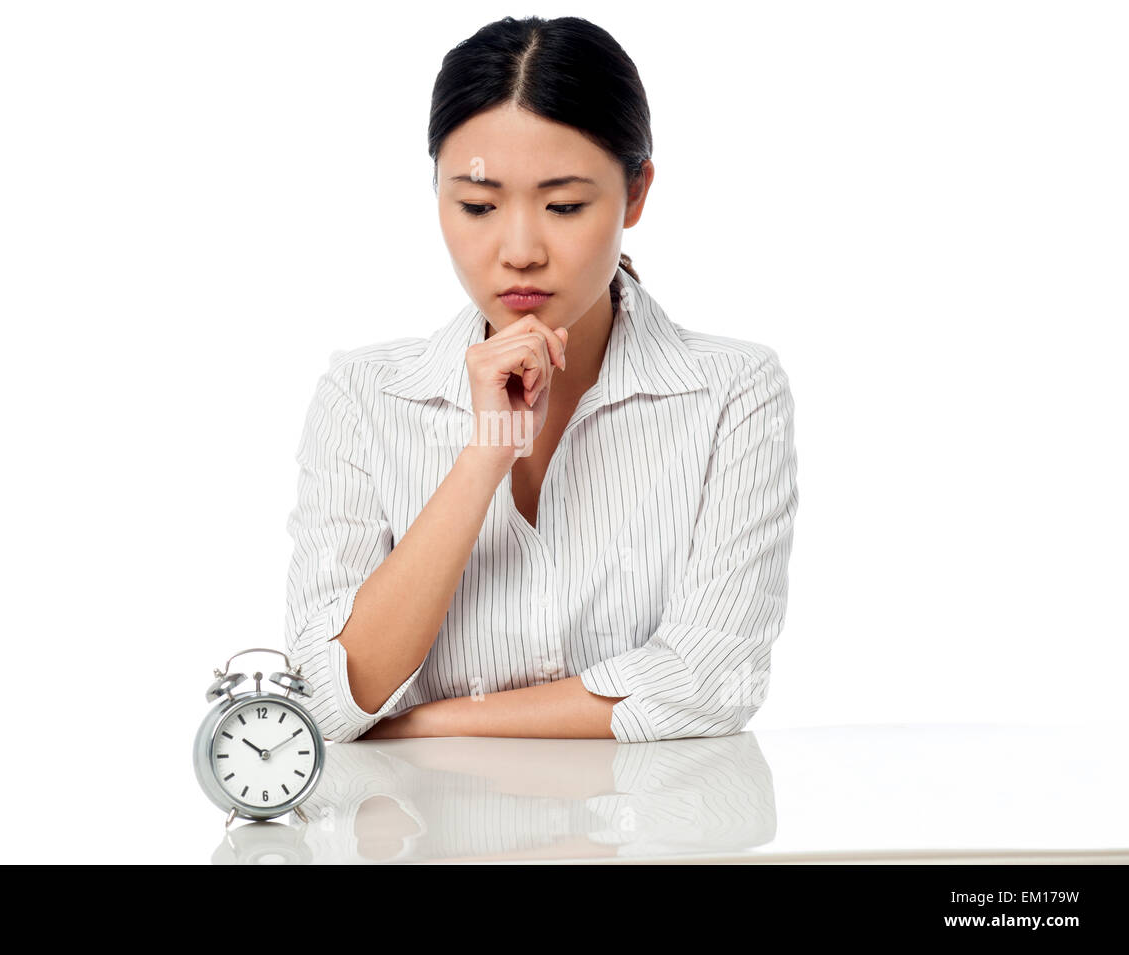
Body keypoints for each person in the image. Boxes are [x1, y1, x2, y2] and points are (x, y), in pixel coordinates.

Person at [283, 15, 799, 744]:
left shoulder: (731, 393)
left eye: (563, 206)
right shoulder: (365, 396)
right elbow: (328, 696)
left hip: (643, 850)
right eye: (477, 206)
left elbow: (711, 682)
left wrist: (423, 726)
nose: (519, 251)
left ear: (636, 192)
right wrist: (484, 455)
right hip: (425, 849)